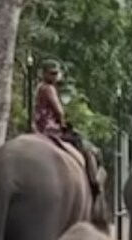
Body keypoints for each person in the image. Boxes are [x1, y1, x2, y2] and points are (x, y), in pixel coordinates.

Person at [31, 59, 100, 197]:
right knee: (84, 146)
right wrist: (62, 123)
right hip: (50, 129)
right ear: (44, 74)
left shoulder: (39, 88)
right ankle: (93, 181)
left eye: (56, 73)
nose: (55, 77)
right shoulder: (48, 88)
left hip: (38, 127)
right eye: (52, 74)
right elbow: (59, 111)